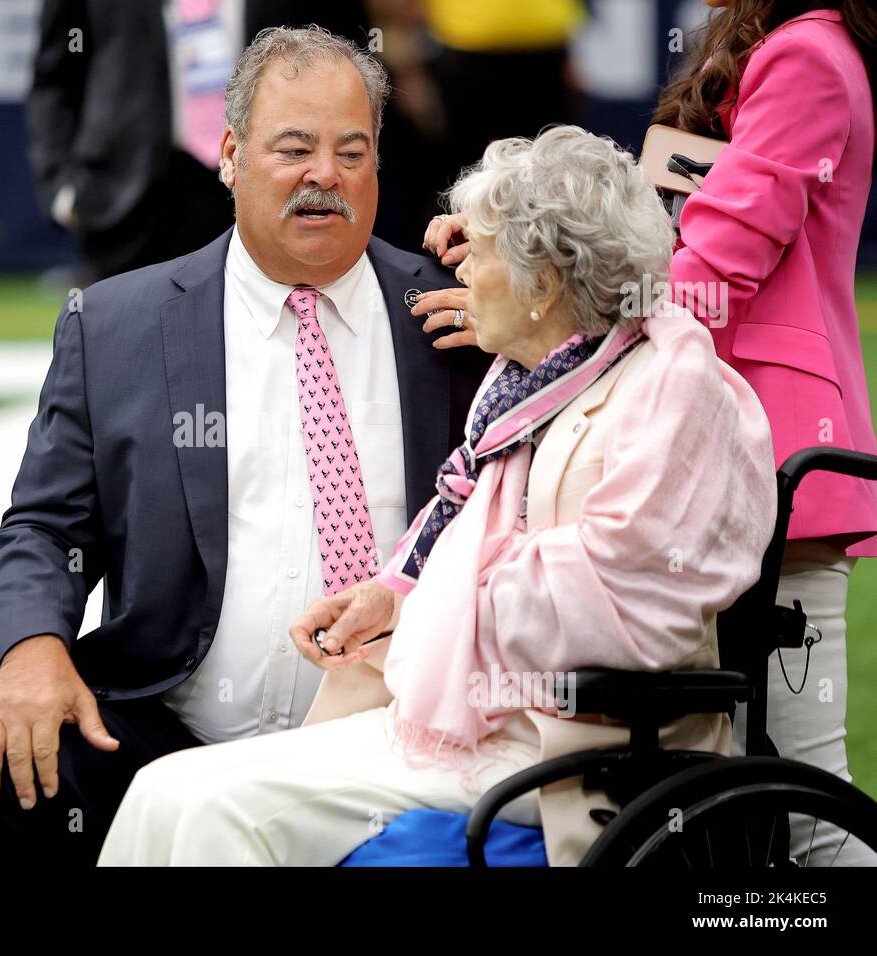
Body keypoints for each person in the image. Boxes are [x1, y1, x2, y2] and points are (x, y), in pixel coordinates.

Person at [96, 126, 778, 867]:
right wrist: (393, 593)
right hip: (479, 723)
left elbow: (623, 598)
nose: (456, 273)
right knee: (163, 790)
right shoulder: (528, 379)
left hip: (579, 749)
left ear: (542, 284)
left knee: (217, 814)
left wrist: (439, 603)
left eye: (479, 254)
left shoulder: (672, 387)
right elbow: (462, 533)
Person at [0, 25, 491, 866]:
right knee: (21, 773)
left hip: (394, 741)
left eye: (354, 151)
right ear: (230, 155)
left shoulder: (460, 318)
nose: (326, 175)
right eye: (294, 148)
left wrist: (527, 300)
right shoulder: (118, 326)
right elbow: (43, 531)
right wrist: (31, 652)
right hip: (172, 725)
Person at [654, 0, 877, 865]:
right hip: (737, 452)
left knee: (812, 807)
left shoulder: (806, 57)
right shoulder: (796, 47)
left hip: (777, 463)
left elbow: (713, 268)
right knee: (733, 792)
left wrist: (558, 325)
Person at [26, 0, 370, 282]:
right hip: (125, 196)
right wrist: (62, 188)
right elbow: (54, 79)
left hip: (263, 184)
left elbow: (350, 66)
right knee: (121, 348)